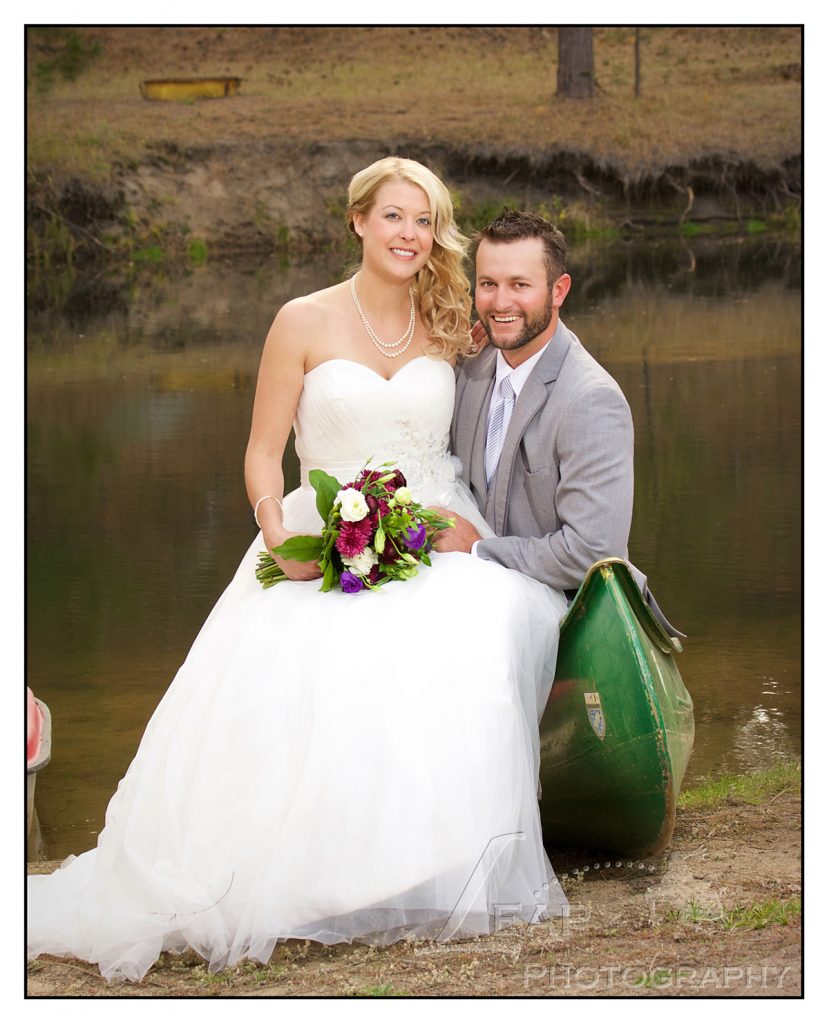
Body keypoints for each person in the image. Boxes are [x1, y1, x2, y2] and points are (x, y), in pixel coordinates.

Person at [27, 157, 569, 985]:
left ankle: (427, 864)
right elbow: (261, 451)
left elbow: (523, 361)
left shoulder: (449, 320)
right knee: (296, 689)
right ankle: (299, 876)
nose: (409, 235)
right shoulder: (301, 321)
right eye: (393, 216)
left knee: (471, 633)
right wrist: (274, 526)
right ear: (357, 221)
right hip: (323, 525)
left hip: (431, 526)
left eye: (424, 221)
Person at [434, 208, 679, 638]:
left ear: (558, 289)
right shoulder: (469, 368)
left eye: (520, 285)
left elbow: (593, 553)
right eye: (488, 284)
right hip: (470, 605)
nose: (500, 302)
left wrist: (476, 549)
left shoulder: (591, 400)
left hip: (569, 622)